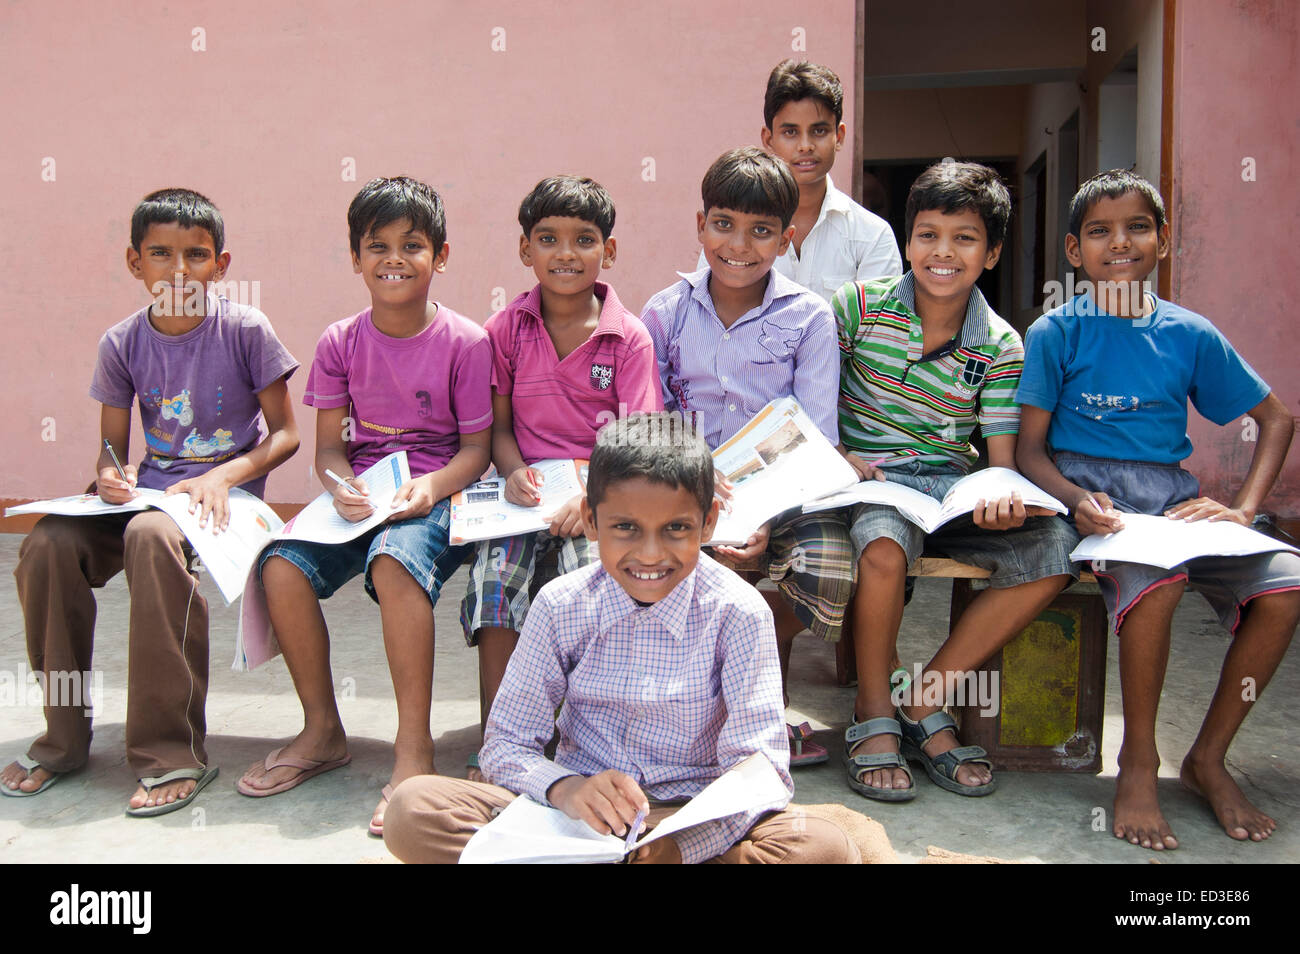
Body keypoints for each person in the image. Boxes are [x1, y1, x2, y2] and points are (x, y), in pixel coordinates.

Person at [383, 413, 861, 864]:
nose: (650, 554)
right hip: (576, 818)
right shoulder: (561, 605)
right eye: (625, 528)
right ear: (591, 522)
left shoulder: (739, 613)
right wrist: (566, 789)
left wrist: (681, 845)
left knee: (821, 845)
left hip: (690, 816)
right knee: (414, 809)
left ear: (709, 522)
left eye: (676, 528)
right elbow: (506, 746)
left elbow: (761, 772)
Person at [1015, 169, 1300, 850]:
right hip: (1093, 502)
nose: (1121, 242)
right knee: (1160, 587)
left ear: (1163, 240)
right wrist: (1076, 499)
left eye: (1138, 226)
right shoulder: (1057, 332)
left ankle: (1207, 756)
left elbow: (1276, 418)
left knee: (1286, 586)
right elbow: (1029, 452)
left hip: (1172, 500)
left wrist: (1243, 508)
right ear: (1073, 250)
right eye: (1100, 231)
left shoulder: (1190, 334)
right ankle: (1138, 761)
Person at [1, 188, 300, 815]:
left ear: (221, 265)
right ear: (135, 263)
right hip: (151, 498)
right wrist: (111, 477)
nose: (179, 270)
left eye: (196, 255)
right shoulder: (121, 343)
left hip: (226, 502)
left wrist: (224, 476)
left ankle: (171, 750)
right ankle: (63, 735)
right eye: (161, 254)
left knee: (150, 539)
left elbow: (286, 434)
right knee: (47, 545)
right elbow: (112, 451)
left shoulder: (245, 329)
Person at [235, 177, 492, 838]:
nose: (394, 258)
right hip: (362, 501)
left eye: (412, 244)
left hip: (438, 497)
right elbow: (326, 450)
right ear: (355, 258)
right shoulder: (340, 342)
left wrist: (431, 489)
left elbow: (475, 449)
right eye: (377, 245)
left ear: (441, 255)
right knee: (282, 566)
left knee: (394, 561)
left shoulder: (465, 342)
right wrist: (339, 482)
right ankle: (322, 728)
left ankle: (414, 752)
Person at [834, 161, 1077, 802]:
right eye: (928, 234)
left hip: (950, 481)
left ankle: (923, 697)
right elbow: (811, 395)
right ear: (907, 238)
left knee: (1053, 552)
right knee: (882, 548)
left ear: (992, 251)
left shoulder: (999, 342)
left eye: (964, 238)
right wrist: (837, 456)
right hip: (873, 478)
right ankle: (873, 708)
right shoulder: (857, 309)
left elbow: (999, 454)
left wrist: (1001, 492)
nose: (942, 253)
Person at [642, 146, 854, 766]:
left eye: (761, 230)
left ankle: (750, 696)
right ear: (700, 224)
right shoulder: (664, 313)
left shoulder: (809, 318)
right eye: (724, 224)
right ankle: (724, 715)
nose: (740, 244)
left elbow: (812, 436)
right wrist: (705, 499)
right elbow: (655, 425)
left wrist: (759, 515)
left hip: (782, 494)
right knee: (681, 564)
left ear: (786, 239)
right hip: (686, 489)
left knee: (834, 564)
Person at [460, 175, 661, 777]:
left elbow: (634, 439)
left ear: (609, 250)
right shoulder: (506, 330)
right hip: (521, 499)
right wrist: (514, 469)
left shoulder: (628, 337)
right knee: (497, 585)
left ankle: (587, 742)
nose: (566, 254)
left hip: (598, 498)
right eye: (548, 239)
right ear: (526, 251)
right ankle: (502, 740)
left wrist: (594, 500)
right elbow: (496, 429)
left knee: (588, 592)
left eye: (583, 239)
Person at [698, 60, 901, 299]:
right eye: (790, 132)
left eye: (819, 131)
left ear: (839, 136)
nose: (805, 146)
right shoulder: (731, 234)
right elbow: (712, 313)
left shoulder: (871, 236)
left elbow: (878, 332)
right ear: (768, 139)